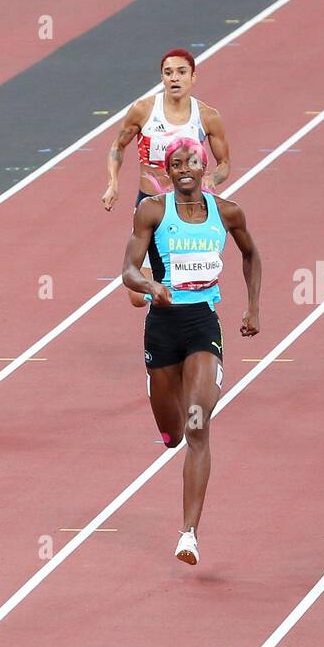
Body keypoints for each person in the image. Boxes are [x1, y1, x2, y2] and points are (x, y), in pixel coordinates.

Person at [121, 138, 260, 565]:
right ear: (167, 171)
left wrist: (253, 308)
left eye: (191, 162)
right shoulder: (153, 212)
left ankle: (188, 535)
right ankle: (163, 403)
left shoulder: (228, 212)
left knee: (198, 429)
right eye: (175, 163)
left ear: (204, 168)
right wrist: (149, 285)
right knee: (173, 435)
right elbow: (127, 270)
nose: (184, 168)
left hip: (203, 324)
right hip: (162, 329)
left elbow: (251, 254)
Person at [104, 48, 231, 307]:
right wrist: (113, 183)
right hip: (150, 204)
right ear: (162, 78)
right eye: (168, 73)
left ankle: (179, 324)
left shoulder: (207, 116)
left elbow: (224, 164)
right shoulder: (143, 111)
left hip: (188, 207)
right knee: (138, 296)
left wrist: (212, 180)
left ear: (193, 77)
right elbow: (118, 146)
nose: (174, 78)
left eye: (181, 72)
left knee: (184, 280)